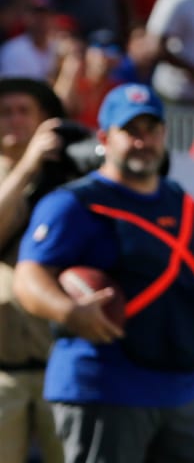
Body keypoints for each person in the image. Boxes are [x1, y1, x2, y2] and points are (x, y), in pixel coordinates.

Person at [12, 83, 194, 463]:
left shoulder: (187, 210)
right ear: (104, 137)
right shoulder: (74, 204)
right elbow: (29, 276)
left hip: (180, 390)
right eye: (130, 131)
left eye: (151, 129)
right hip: (104, 383)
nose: (143, 141)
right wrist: (70, 313)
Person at [0, 78, 66, 463]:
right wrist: (26, 166)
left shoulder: (65, 177)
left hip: (55, 362)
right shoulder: (21, 170)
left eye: (25, 111)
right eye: (5, 112)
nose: (14, 121)